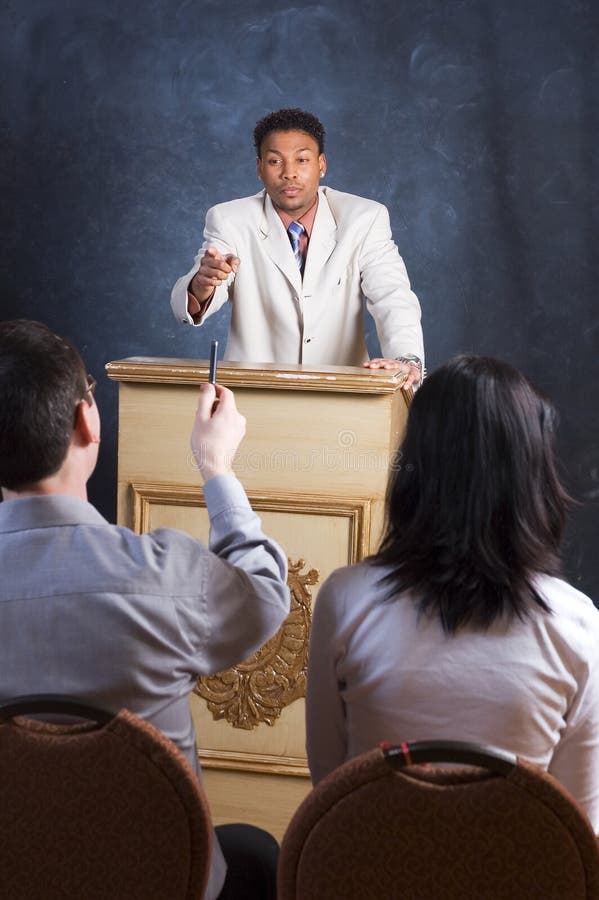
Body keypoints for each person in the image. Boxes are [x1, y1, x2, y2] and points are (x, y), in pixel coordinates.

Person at [0, 319, 291, 899]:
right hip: (158, 879)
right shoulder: (165, 577)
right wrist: (218, 469)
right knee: (255, 853)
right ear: (88, 420)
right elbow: (265, 597)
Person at [305, 354, 599, 831]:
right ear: (532, 473)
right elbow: (579, 831)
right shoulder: (579, 625)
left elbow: (330, 788)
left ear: (416, 468)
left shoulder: (345, 600)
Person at [171, 108, 424, 389]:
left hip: (341, 394)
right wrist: (203, 284)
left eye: (302, 160)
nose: (289, 173)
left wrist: (406, 359)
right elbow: (200, 290)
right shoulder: (230, 219)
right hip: (255, 395)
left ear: (321, 164)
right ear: (259, 168)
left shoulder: (364, 218)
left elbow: (392, 295)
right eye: (275, 161)